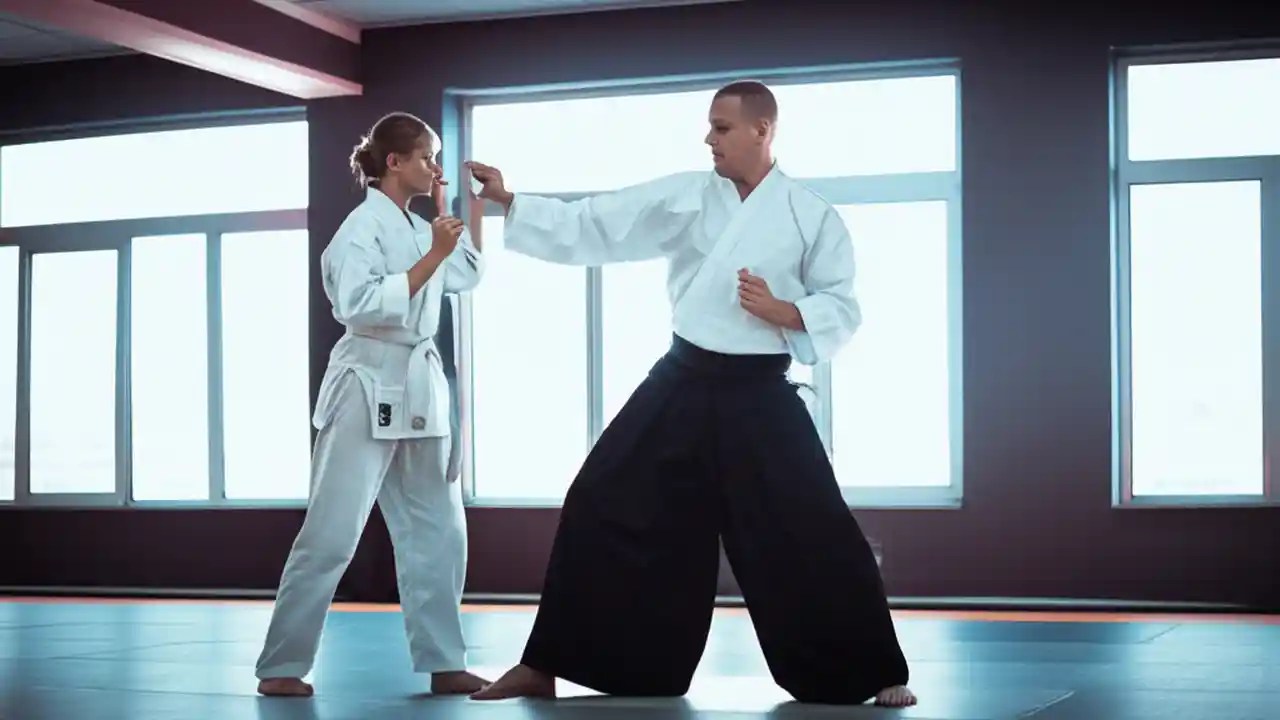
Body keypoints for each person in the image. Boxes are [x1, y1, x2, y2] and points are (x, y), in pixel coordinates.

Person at [464, 81, 916, 708]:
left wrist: (787, 311)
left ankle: (870, 670)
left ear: (764, 130)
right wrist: (511, 201)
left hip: (760, 390)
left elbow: (843, 304)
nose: (710, 138)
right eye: (709, 126)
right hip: (682, 378)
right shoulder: (688, 196)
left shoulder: (810, 214)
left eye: (722, 127)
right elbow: (602, 221)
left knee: (812, 523)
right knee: (600, 497)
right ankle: (550, 663)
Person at [255, 112, 489, 698]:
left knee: (441, 529)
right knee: (333, 530)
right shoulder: (359, 230)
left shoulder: (416, 227)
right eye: (428, 158)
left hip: (418, 384)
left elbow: (467, 274)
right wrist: (433, 253)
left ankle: (444, 661)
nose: (436, 168)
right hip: (365, 380)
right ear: (394, 162)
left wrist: (454, 216)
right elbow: (359, 305)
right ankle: (281, 666)